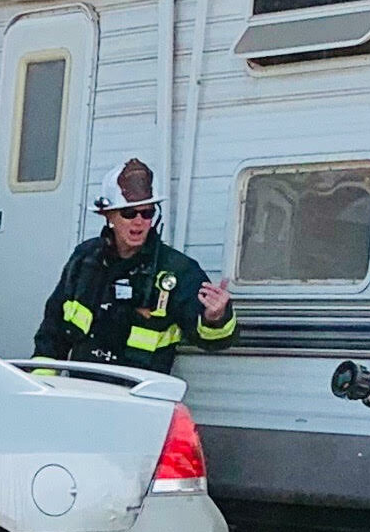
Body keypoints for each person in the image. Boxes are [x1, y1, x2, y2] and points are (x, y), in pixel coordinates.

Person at [33, 157, 237, 374]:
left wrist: (215, 318)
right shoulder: (85, 260)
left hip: (141, 398)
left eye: (147, 213)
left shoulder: (178, 271)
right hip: (84, 392)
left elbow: (215, 342)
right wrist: (42, 385)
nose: (139, 221)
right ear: (108, 214)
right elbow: (52, 331)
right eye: (129, 213)